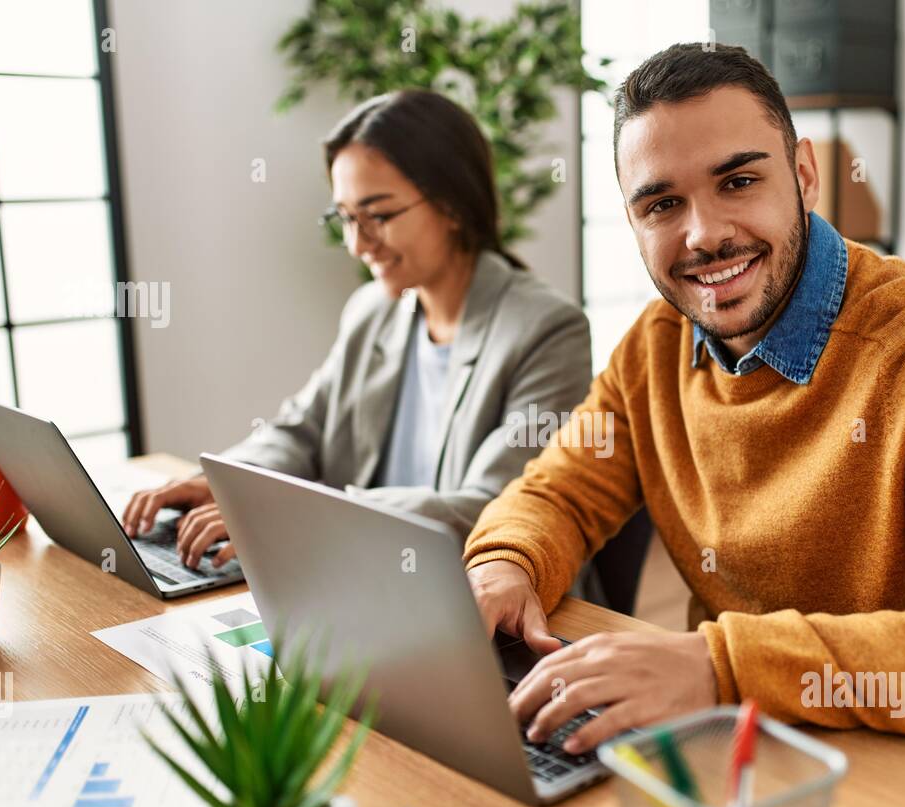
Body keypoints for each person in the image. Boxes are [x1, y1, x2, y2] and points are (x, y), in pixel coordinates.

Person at [464, 43, 905, 755]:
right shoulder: (655, 343)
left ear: (805, 175)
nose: (704, 234)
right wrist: (504, 562)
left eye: (738, 181)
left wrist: (722, 667)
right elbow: (556, 493)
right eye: (663, 203)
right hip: (735, 748)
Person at [122, 89, 592, 568]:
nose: (357, 244)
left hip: (481, 593)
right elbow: (302, 430)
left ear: (452, 205)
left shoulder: (546, 330)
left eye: (379, 216)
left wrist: (305, 513)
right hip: (367, 572)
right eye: (346, 218)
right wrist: (226, 482)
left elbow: (495, 506)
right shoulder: (373, 310)